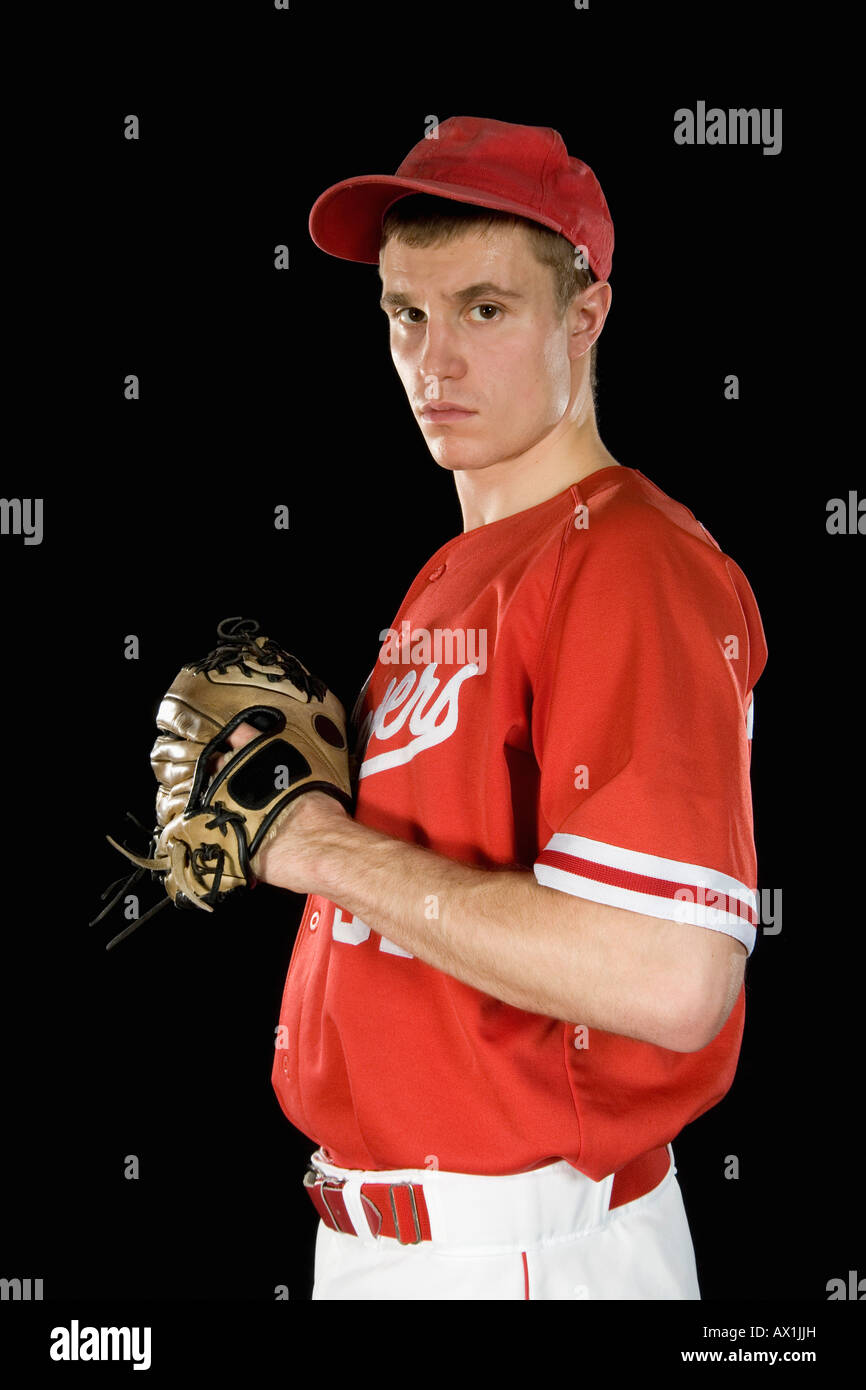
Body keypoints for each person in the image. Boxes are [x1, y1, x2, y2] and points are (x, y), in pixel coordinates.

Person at [220, 116, 767, 1300]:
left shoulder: (629, 561)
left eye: (483, 309)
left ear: (584, 317)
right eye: (404, 316)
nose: (434, 362)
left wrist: (313, 846)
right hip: (387, 1238)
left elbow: (670, 979)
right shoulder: (454, 569)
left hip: (526, 1249)